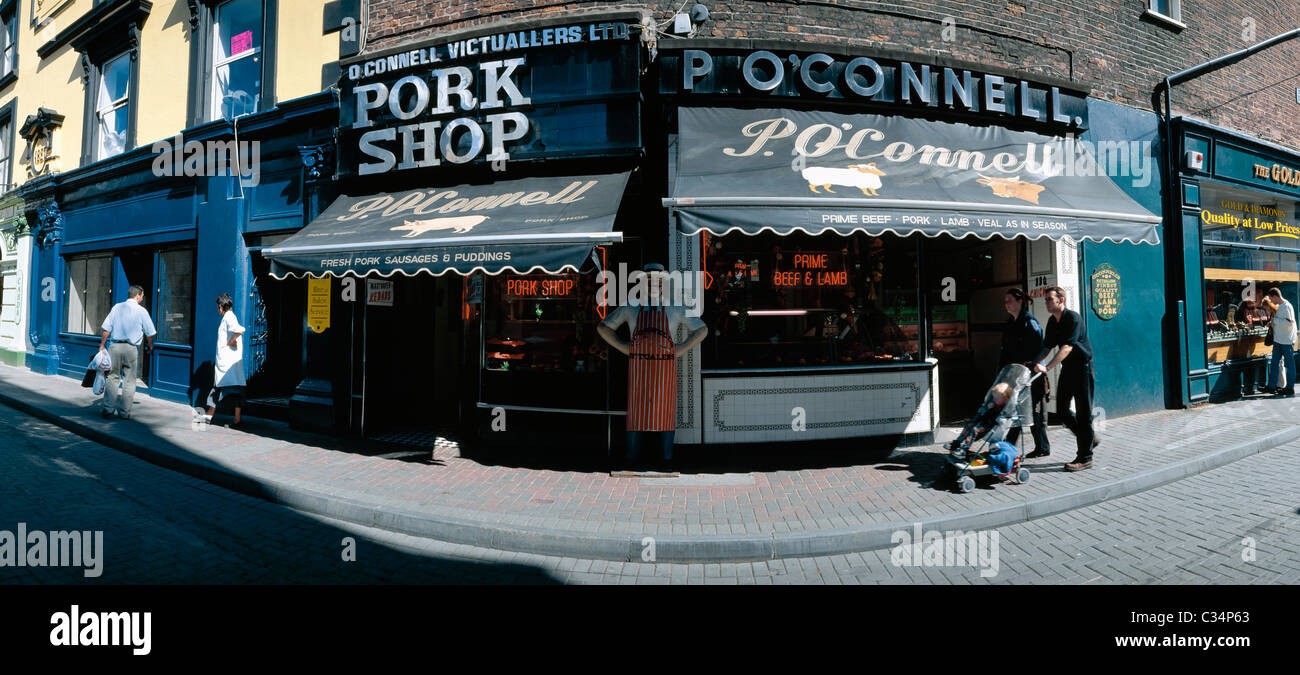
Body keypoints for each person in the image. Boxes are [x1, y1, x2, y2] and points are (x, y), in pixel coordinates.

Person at [598, 263, 708, 470]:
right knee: (636, 412)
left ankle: (666, 459)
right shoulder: (630, 306)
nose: (653, 284)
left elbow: (702, 329)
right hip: (638, 370)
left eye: (658, 280)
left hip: (665, 370)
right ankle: (631, 457)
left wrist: (680, 349)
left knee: (665, 412)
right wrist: (623, 347)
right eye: (649, 280)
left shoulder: (676, 307)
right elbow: (604, 327)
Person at [1033, 286, 1097, 472]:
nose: (1046, 302)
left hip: (1083, 368)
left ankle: (1085, 457)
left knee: (1084, 414)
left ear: (1061, 300)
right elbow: (1047, 346)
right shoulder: (1052, 321)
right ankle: (1089, 439)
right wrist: (1034, 362)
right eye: (1045, 299)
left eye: (1049, 299)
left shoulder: (1073, 318)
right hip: (1068, 369)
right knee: (1061, 411)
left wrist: (1047, 367)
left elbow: (1067, 347)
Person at [999, 288, 1049, 458]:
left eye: (1009, 300)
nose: (1006, 304)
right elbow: (1005, 350)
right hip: (1015, 374)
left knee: (1032, 411)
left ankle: (1040, 447)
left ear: (1020, 301)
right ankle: (1010, 449)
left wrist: (1033, 364)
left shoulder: (1029, 322)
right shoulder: (1010, 322)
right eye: (1005, 301)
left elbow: (1040, 348)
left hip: (1031, 375)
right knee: (1016, 409)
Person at [98, 285, 157, 420]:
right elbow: (150, 333)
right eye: (142, 296)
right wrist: (150, 345)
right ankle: (124, 412)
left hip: (115, 347)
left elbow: (106, 329)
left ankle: (108, 409)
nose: (142, 298)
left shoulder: (117, 307)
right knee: (129, 380)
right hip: (131, 348)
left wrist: (102, 345)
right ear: (137, 295)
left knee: (112, 378)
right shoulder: (142, 311)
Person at [197, 293, 246, 426]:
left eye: (218, 307)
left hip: (226, 363)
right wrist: (232, 340)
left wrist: (231, 341)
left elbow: (239, 330)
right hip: (231, 363)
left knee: (217, 389)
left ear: (220, 306)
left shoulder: (229, 317)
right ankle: (236, 419)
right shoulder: (230, 317)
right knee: (235, 391)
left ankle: (209, 416)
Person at [946, 382, 1014, 461]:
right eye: (994, 397)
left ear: (1005, 398)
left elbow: (996, 419)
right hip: (983, 422)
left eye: (997, 398)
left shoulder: (1004, 409)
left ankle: (964, 448)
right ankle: (957, 442)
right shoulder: (995, 405)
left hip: (989, 426)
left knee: (974, 430)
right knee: (968, 425)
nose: (994, 399)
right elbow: (987, 414)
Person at [1260, 287, 1295, 397]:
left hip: (1286, 341)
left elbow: (1290, 323)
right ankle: (1271, 387)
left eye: (1271, 298)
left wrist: (1274, 321)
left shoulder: (1287, 306)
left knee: (1289, 365)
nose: (1271, 301)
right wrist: (1272, 323)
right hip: (1278, 340)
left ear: (1275, 296)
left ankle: (1290, 388)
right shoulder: (1280, 306)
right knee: (1274, 363)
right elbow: (1282, 322)